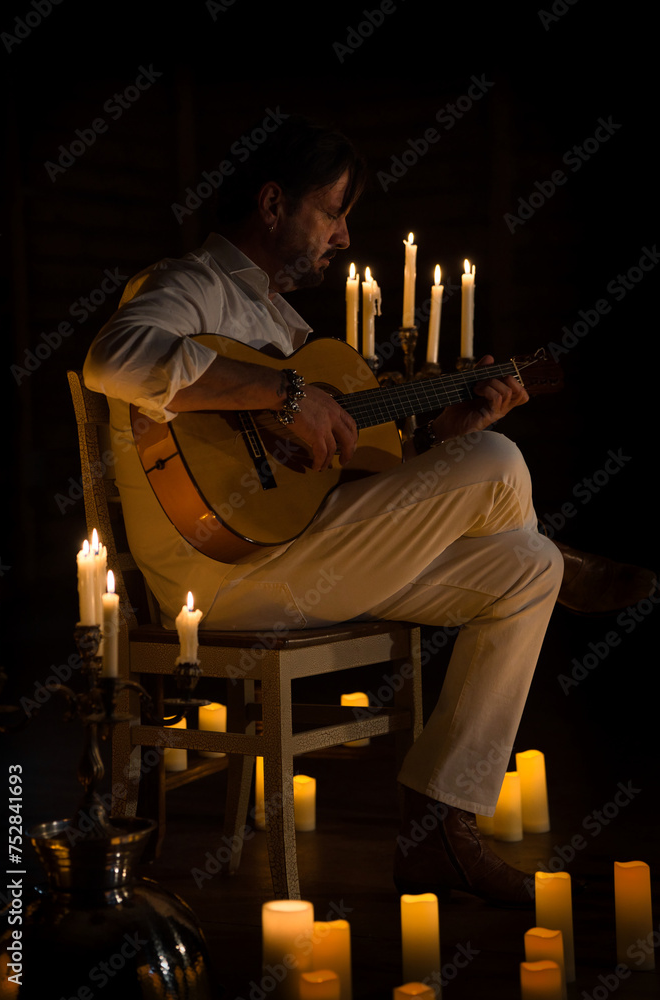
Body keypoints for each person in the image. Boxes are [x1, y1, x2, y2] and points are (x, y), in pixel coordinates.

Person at [83, 116, 574, 907]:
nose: (344, 237)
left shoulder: (289, 329)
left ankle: (437, 832)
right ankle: (544, 535)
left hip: (300, 553)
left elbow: (340, 486)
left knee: (527, 564)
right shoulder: (188, 284)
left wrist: (443, 440)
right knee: (501, 467)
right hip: (216, 576)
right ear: (273, 202)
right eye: (333, 211)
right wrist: (282, 395)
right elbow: (112, 358)